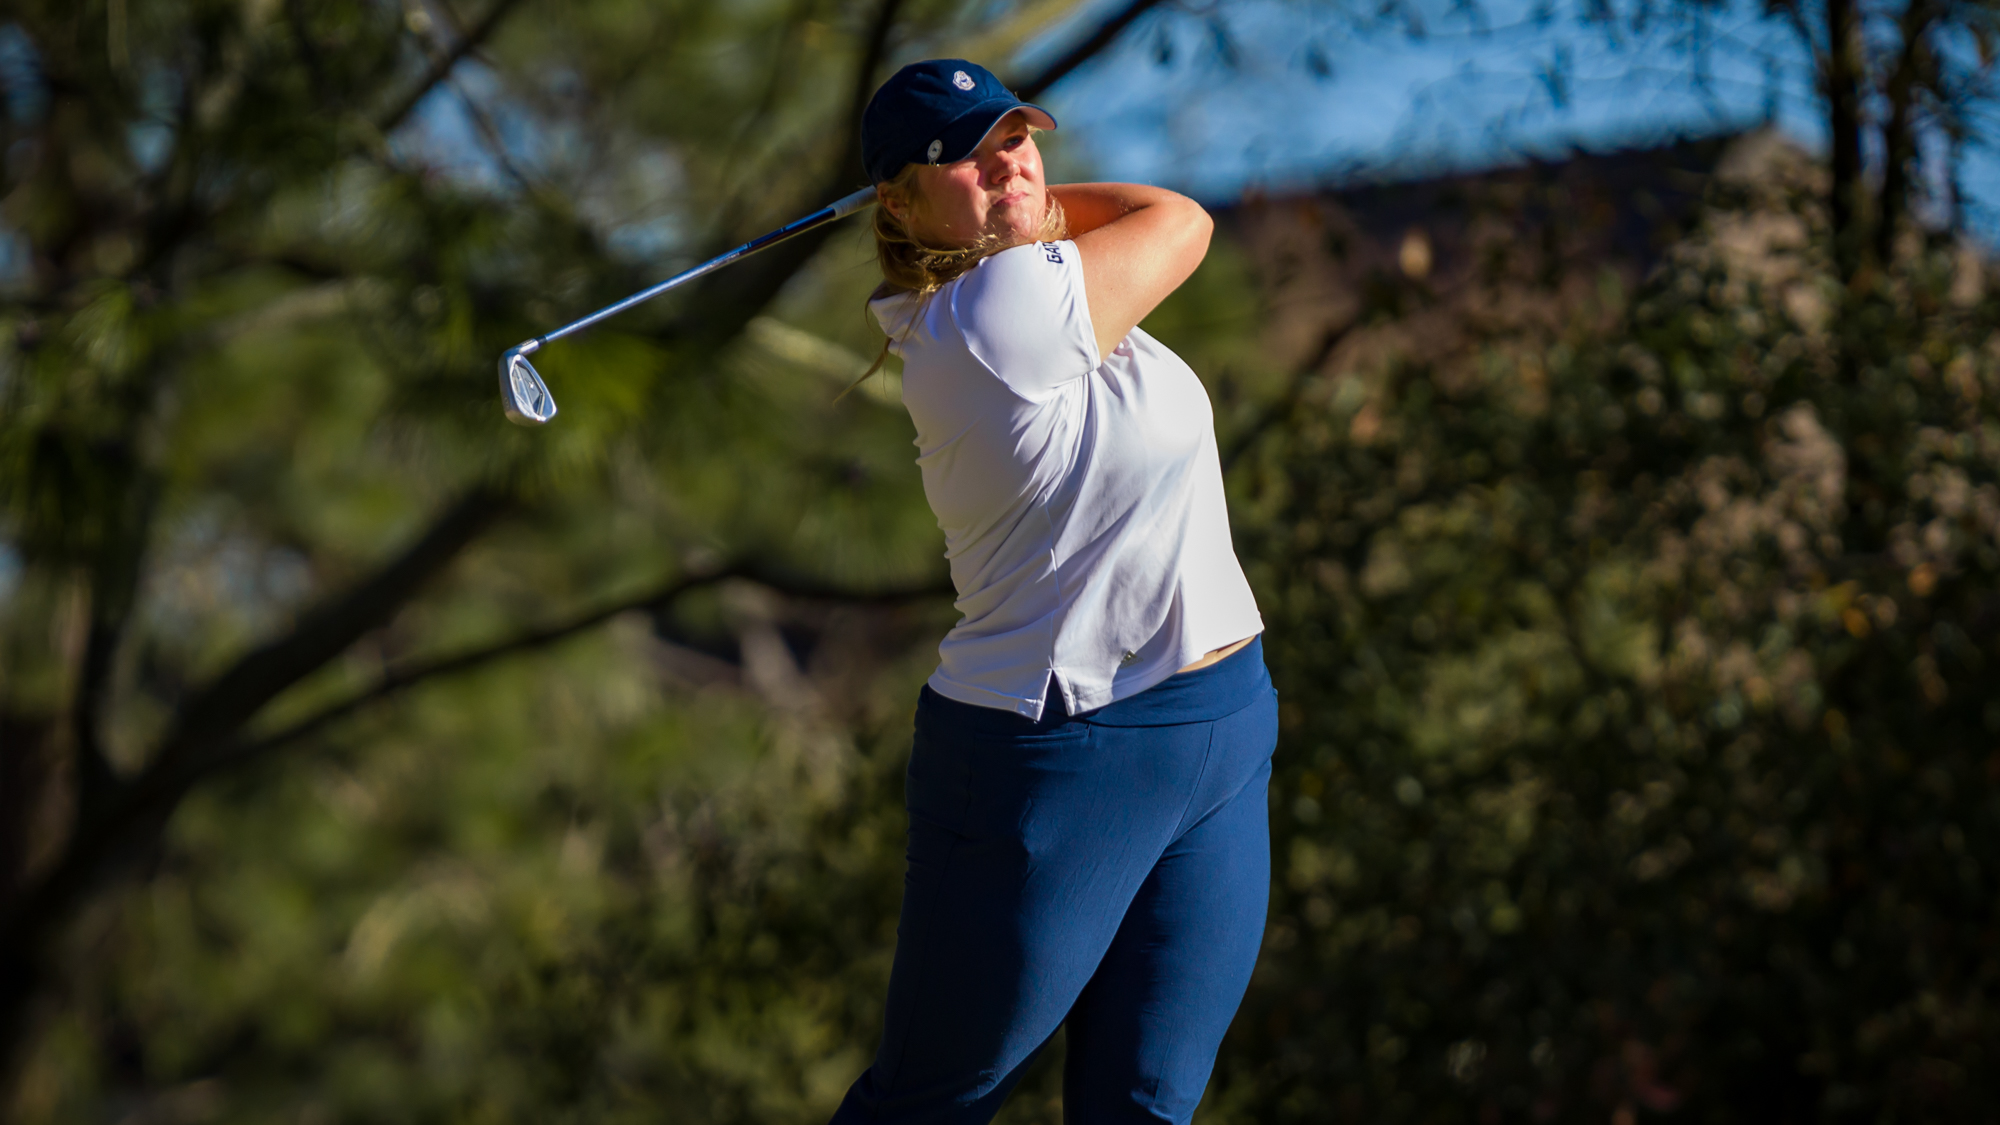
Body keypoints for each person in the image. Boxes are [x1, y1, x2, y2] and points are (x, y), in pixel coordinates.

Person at [829, 59, 1276, 1125]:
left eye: (1015, 138)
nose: (1007, 164)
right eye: (967, 157)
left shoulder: (1040, 284)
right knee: (927, 1104)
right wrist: (1035, 212)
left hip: (1216, 726)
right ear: (895, 199)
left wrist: (1014, 207)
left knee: (1145, 1105)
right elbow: (1175, 218)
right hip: (1054, 760)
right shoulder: (993, 309)